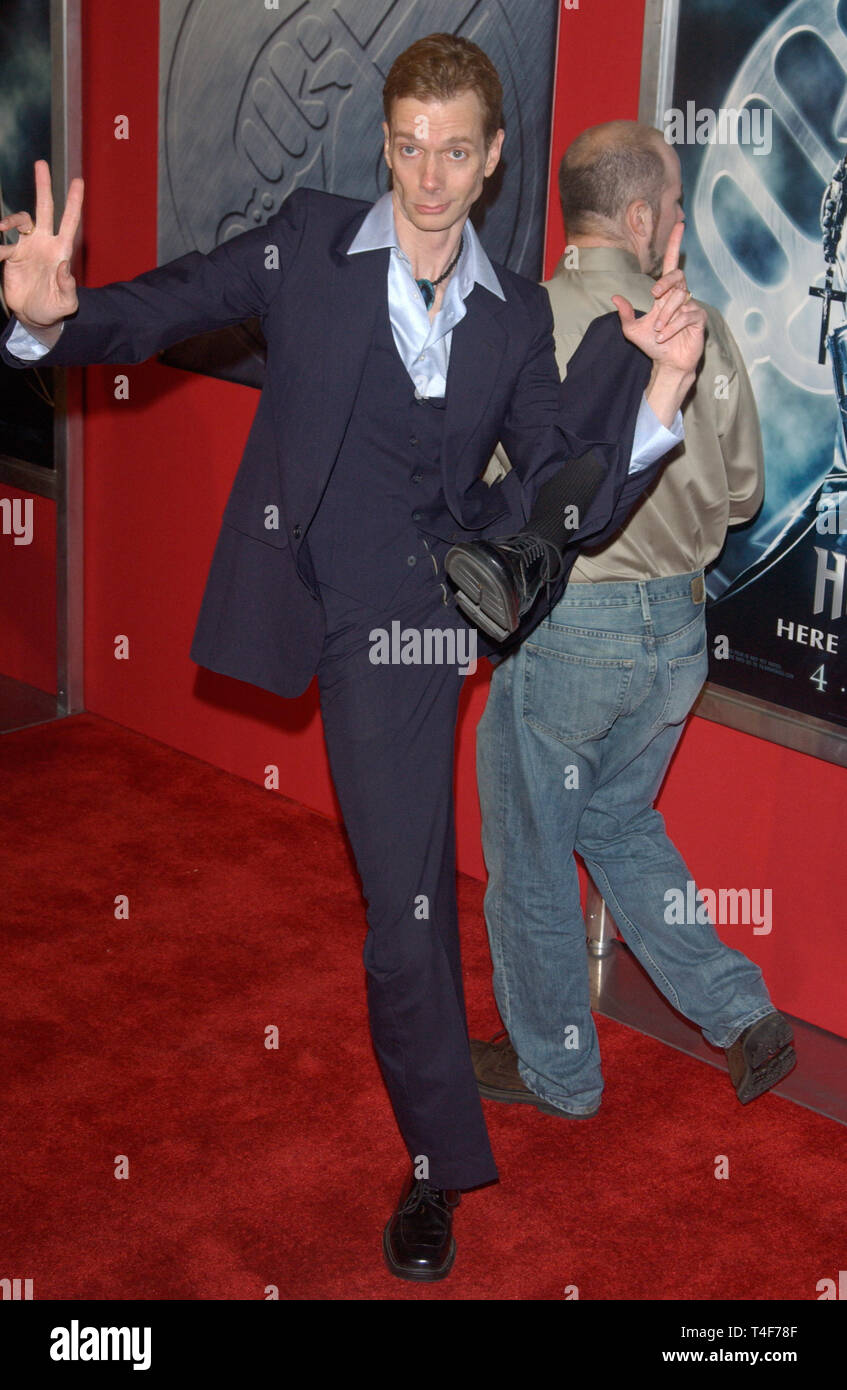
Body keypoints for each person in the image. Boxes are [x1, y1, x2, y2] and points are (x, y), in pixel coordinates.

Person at [0, 42, 705, 1282]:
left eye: (454, 151)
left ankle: (435, 1165)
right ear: (383, 142)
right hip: (307, 576)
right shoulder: (307, 242)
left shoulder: (511, 315)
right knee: (410, 885)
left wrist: (658, 392)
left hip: (409, 620)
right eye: (408, 145)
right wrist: (49, 319)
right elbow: (165, 304)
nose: (427, 177)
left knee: (404, 898)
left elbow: (560, 491)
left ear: (491, 162)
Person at [471, 120, 795, 1124]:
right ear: (644, 217)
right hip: (680, 632)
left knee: (531, 853)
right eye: (676, 205)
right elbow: (742, 496)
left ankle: (558, 1071)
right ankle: (741, 1011)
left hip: (571, 628)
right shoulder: (702, 327)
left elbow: (489, 495)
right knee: (614, 820)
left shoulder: (517, 322)